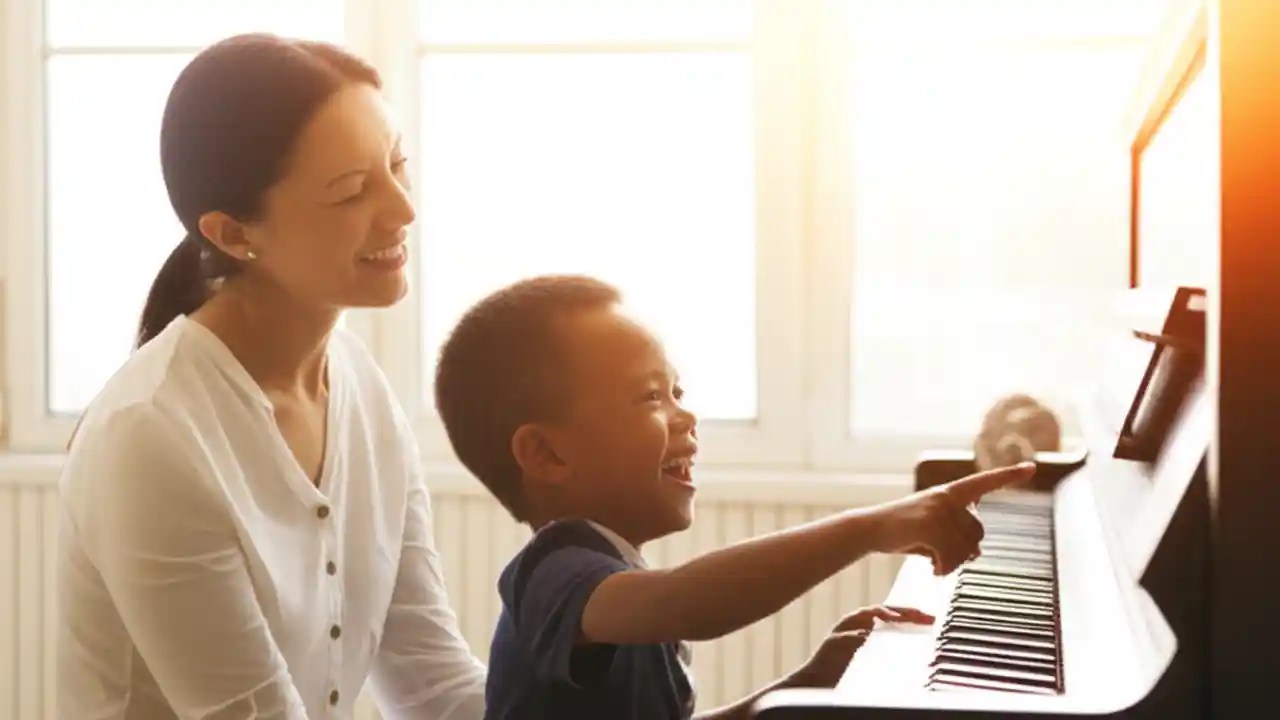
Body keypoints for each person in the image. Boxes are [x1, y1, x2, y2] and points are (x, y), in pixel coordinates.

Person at [56, 34, 485, 719]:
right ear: (232, 233)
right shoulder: (150, 435)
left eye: (397, 166)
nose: (404, 209)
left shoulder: (362, 391)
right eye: (351, 191)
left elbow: (434, 683)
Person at [433, 275, 1036, 720]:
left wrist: (804, 684)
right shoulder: (553, 574)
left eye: (677, 390)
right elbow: (687, 601)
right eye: (650, 397)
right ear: (547, 455)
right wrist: (868, 528)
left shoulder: (612, 582)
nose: (685, 414)